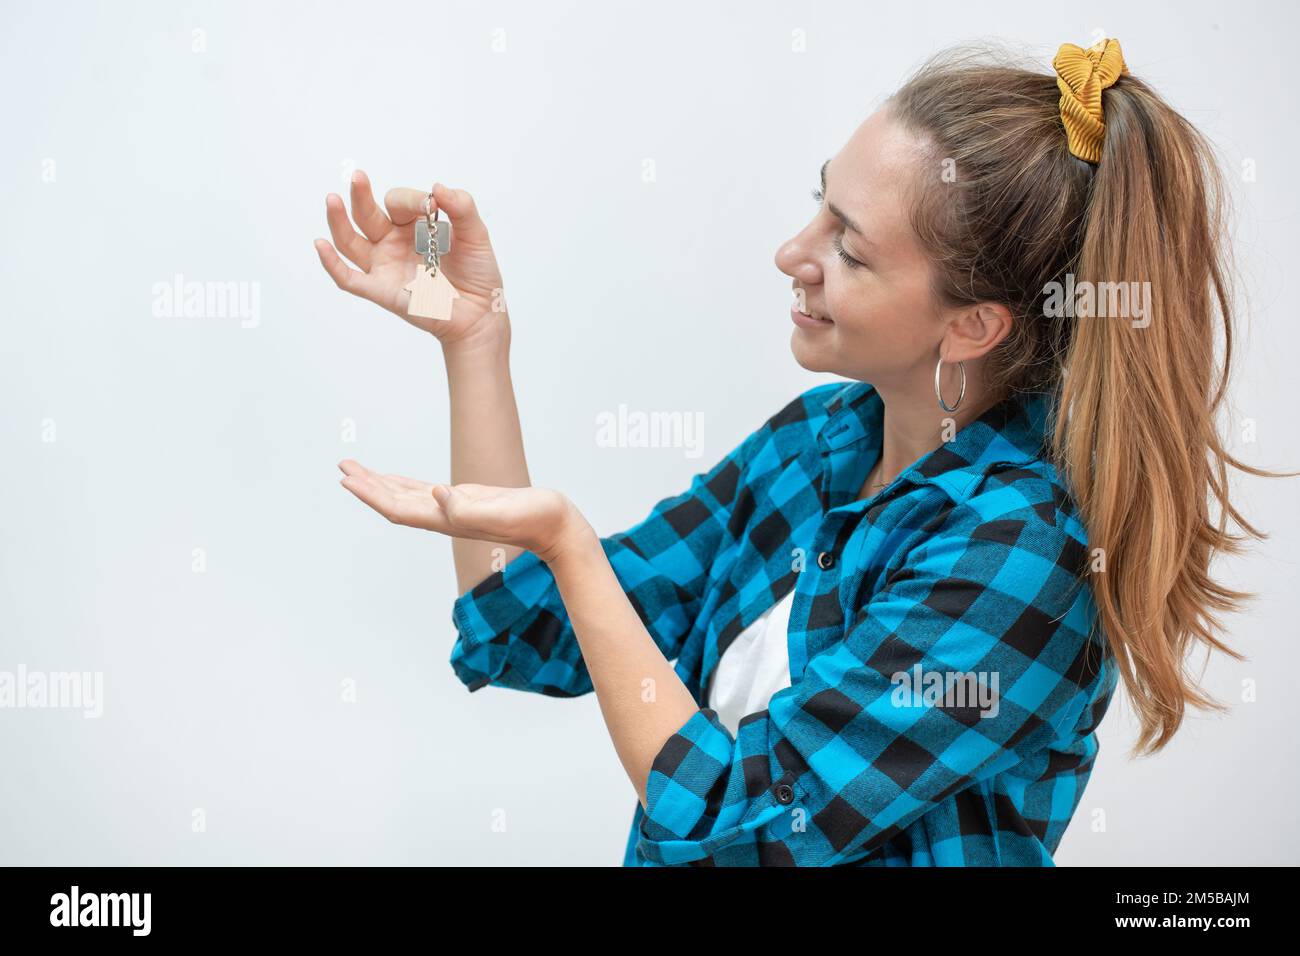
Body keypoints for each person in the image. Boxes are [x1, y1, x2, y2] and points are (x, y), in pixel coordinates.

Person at [314, 38, 1289, 865]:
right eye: (820, 200)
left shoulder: (1026, 554)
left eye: (851, 249)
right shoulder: (816, 439)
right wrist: (475, 339)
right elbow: (523, 623)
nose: (794, 250)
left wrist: (572, 543)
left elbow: (732, 817)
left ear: (973, 325)